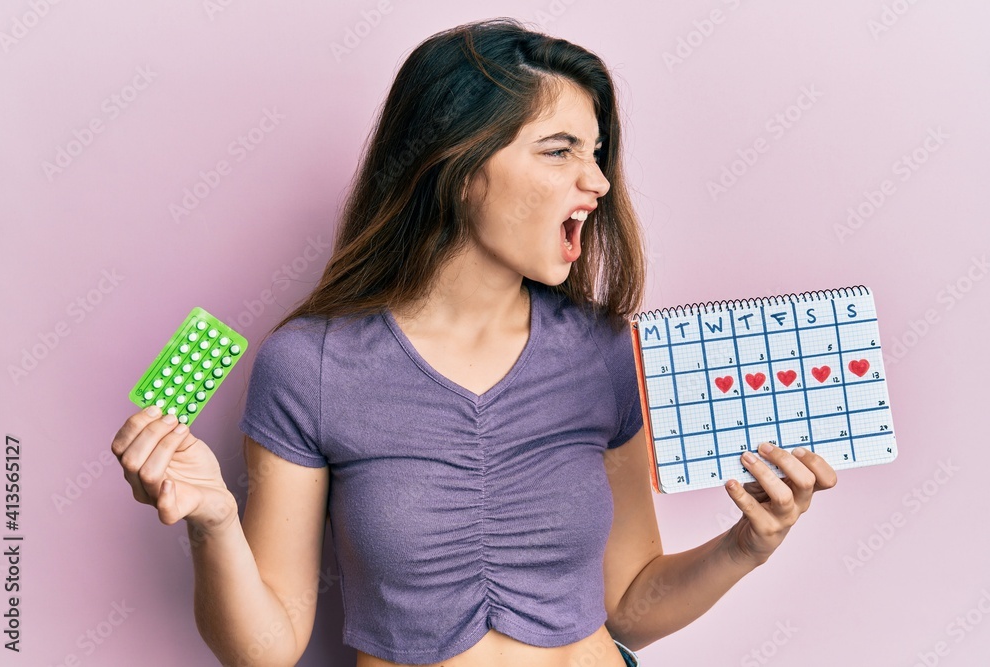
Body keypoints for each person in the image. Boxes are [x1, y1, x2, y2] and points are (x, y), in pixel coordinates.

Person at [111, 18, 837, 667]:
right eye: (559, 151)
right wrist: (212, 522)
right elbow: (265, 648)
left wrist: (747, 545)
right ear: (458, 167)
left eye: (598, 152)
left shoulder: (600, 351)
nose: (597, 181)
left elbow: (629, 607)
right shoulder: (311, 364)